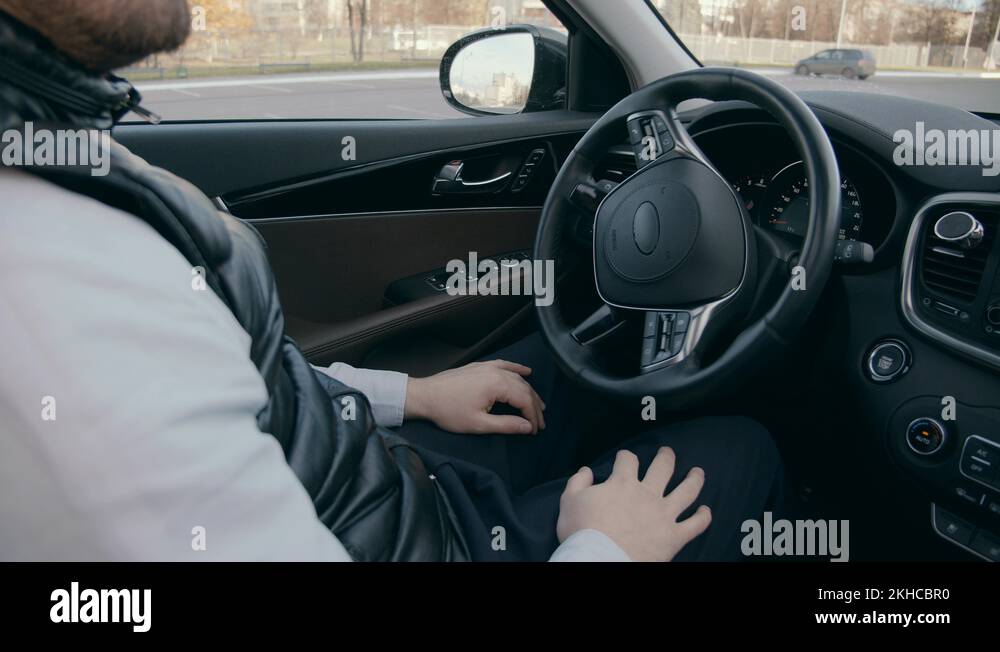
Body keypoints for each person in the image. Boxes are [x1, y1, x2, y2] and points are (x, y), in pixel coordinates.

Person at [0, 0, 783, 562]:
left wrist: (411, 395)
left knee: (572, 373)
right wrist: (605, 545)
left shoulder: (57, 153)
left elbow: (242, 372)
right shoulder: (47, 294)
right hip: (431, 538)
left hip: (381, 469)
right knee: (747, 446)